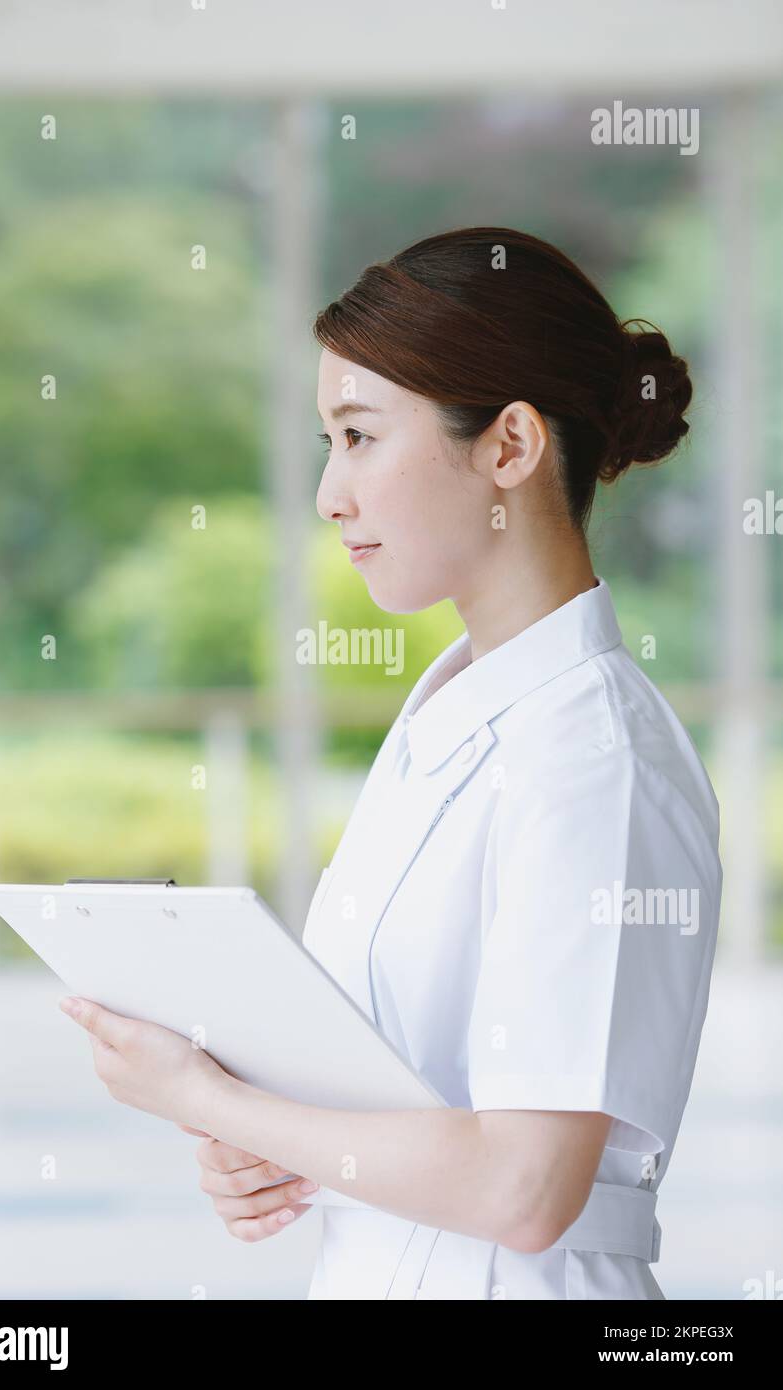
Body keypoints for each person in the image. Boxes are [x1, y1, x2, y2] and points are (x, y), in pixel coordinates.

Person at [65, 226, 722, 1300]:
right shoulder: (449, 726)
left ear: (508, 447)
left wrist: (206, 1099)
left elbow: (524, 1186)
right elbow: (413, 1107)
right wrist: (278, 1148)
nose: (331, 496)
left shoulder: (591, 762)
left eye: (359, 436)